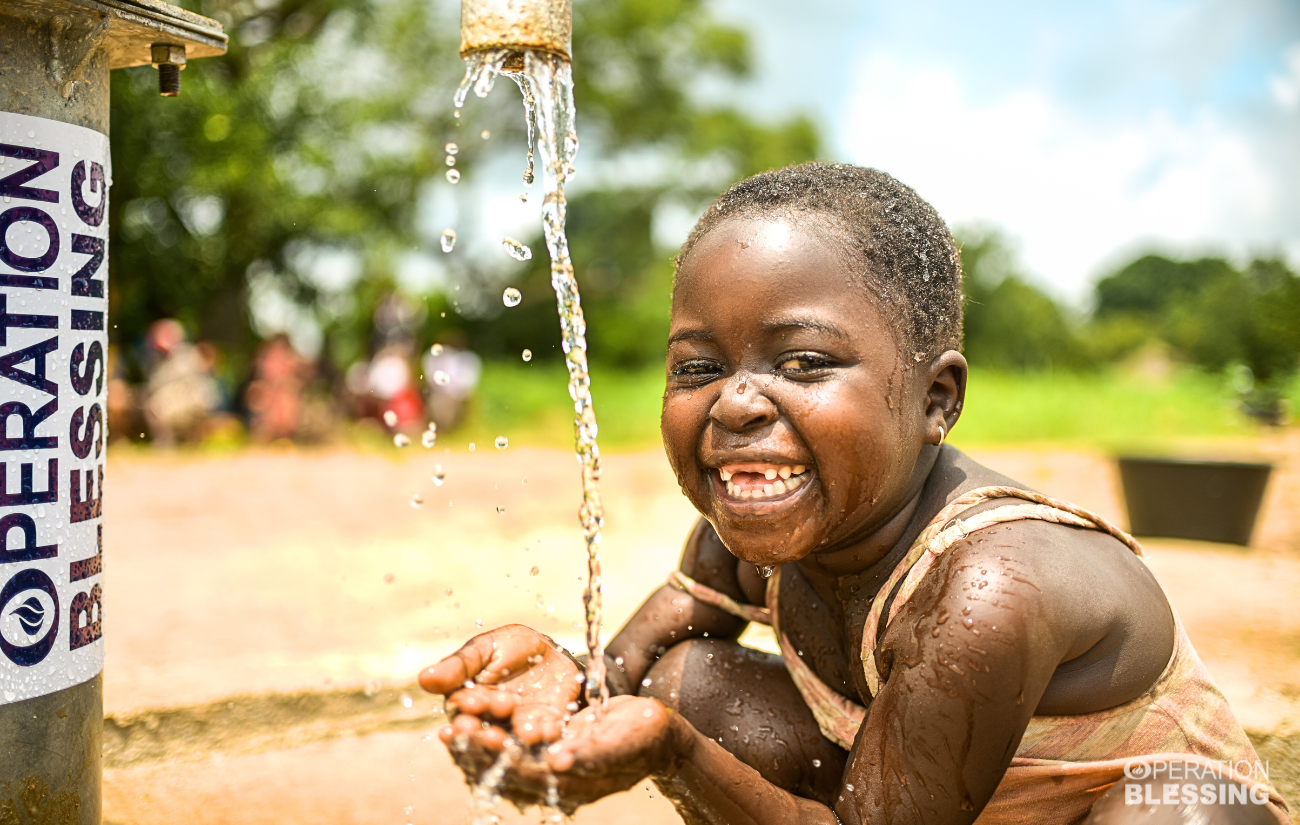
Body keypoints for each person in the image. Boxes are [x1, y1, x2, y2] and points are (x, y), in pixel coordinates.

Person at [418, 164, 1290, 824]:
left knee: (1176, 810)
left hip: (1105, 809)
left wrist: (675, 754)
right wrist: (559, 688)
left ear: (934, 401)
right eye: (698, 366)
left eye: (802, 362)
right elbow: (620, 680)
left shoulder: (989, 589)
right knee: (686, 678)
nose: (737, 400)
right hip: (928, 798)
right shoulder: (747, 529)